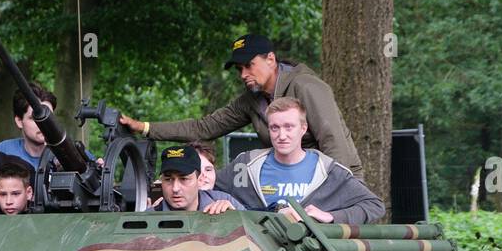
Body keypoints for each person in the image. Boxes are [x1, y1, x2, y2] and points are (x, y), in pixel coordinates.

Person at [118, 33, 364, 178]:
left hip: (336, 182)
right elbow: (204, 128)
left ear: (271, 59)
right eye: (239, 69)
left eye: (249, 65)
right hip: (292, 181)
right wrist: (144, 127)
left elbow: (334, 143)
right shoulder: (252, 99)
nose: (243, 74)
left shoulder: (306, 87)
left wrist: (335, 195)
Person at [214, 97, 384, 224]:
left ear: (303, 128)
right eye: (275, 128)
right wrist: (221, 200)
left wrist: (331, 216)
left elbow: (374, 206)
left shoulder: (328, 171)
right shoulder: (246, 165)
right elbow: (202, 189)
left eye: (289, 127)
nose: (282, 135)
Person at [153, 145, 238, 214]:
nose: (175, 188)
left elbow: (251, 227)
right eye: (168, 179)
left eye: (184, 179)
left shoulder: (225, 201)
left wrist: (235, 217)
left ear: (199, 179)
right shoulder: (149, 216)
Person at [0, 83, 57, 169]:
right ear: (19, 121)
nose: (44, 123)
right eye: (35, 117)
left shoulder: (68, 155)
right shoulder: (0, 153)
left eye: (48, 117)